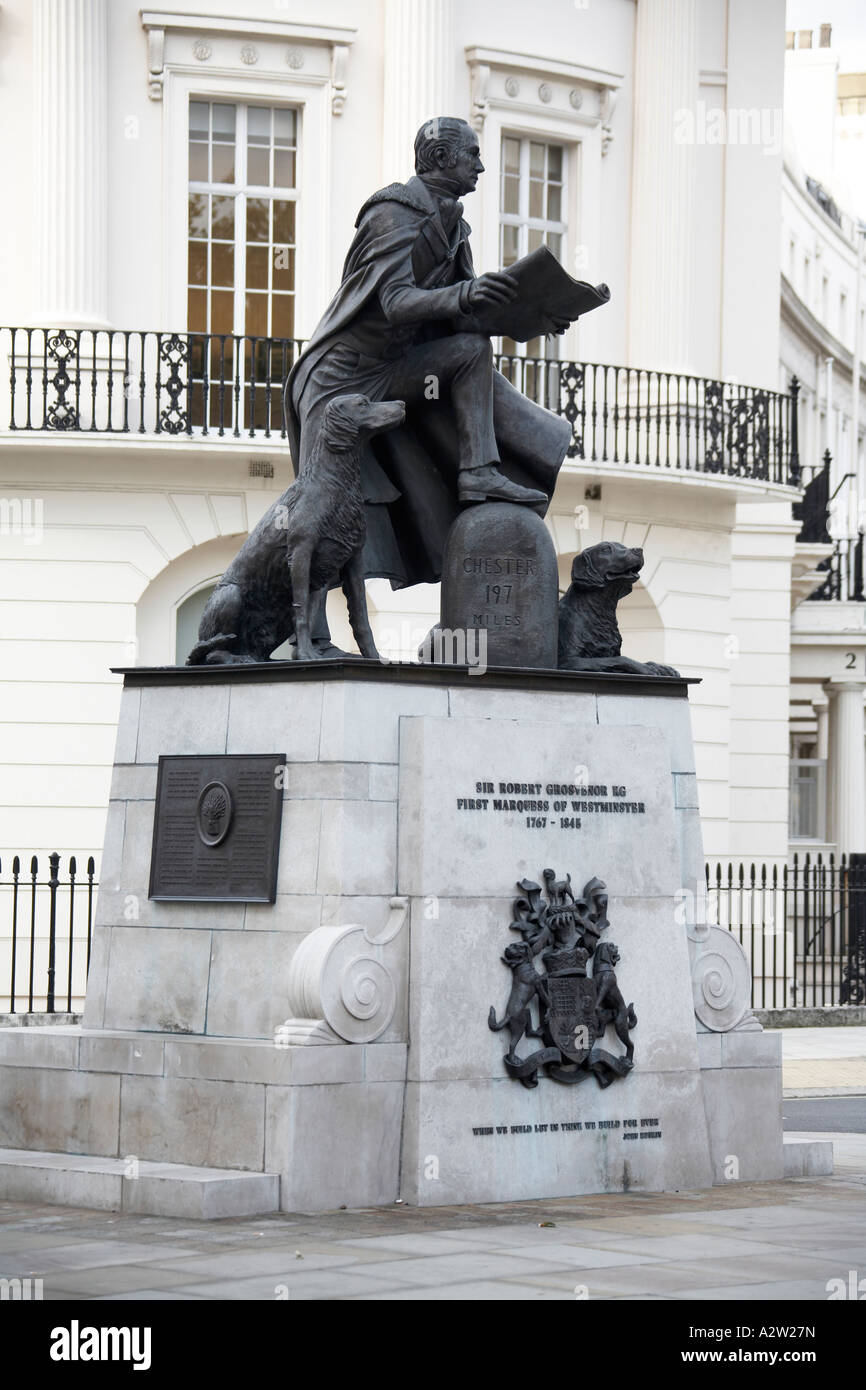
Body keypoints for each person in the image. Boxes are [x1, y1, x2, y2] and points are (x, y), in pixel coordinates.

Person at [284, 115, 573, 648]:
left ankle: (479, 473)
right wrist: (467, 296)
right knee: (327, 511)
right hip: (340, 380)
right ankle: (313, 638)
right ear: (441, 160)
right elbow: (394, 303)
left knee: (469, 351)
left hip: (392, 370)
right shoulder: (393, 212)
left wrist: (536, 316)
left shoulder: (454, 225)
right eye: (472, 156)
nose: (481, 166)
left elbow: (462, 318)